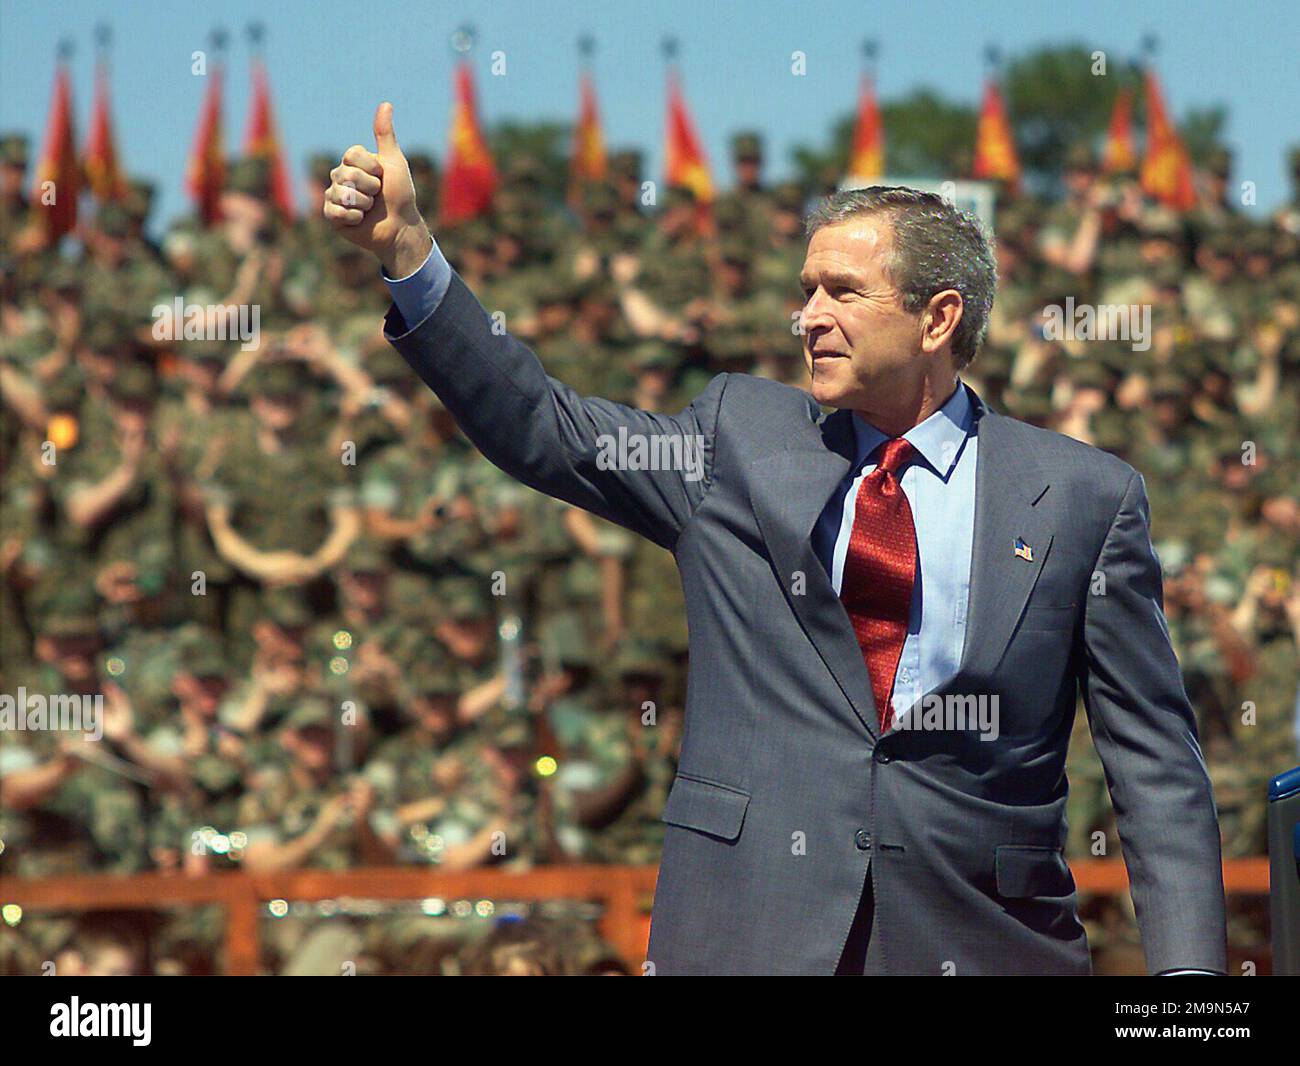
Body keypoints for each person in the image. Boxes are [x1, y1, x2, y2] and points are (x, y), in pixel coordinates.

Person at [320, 104, 1227, 976]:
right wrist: (409, 255)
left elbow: (1154, 765)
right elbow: (540, 428)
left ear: (938, 318)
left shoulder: (1082, 497)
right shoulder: (735, 442)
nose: (811, 315)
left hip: (988, 942)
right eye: (806, 292)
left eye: (844, 292)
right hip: (747, 932)